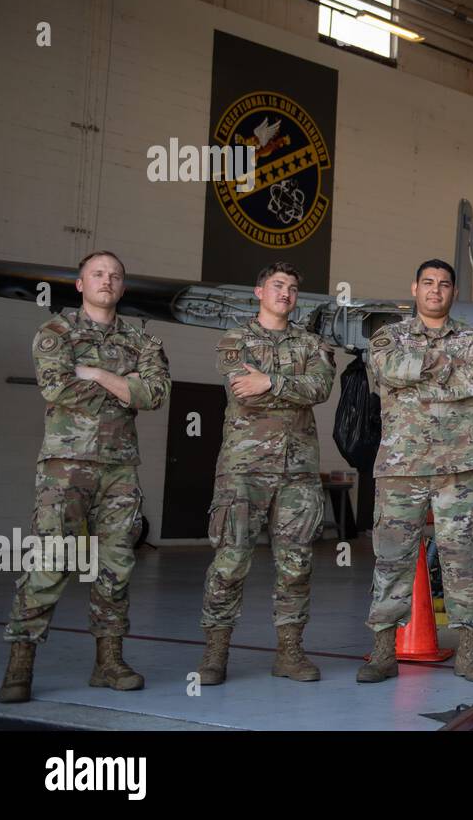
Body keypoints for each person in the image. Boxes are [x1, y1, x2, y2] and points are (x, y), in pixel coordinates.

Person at [0, 251, 170, 703]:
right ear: (79, 284)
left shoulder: (141, 341)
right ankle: (20, 666)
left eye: (114, 276)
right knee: (48, 561)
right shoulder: (57, 332)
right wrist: (122, 385)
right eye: (97, 274)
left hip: (120, 469)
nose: (106, 281)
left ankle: (109, 663)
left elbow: (154, 394)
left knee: (116, 566)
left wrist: (93, 373)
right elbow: (56, 386)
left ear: (123, 287)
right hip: (65, 466)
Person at [358, 260, 473, 683]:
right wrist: (446, 368)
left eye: (444, 284)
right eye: (428, 283)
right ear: (414, 288)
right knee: (392, 558)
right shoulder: (387, 336)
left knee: (464, 558)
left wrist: (417, 371)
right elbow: (387, 370)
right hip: (402, 466)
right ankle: (383, 650)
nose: (436, 290)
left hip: (459, 467)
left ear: (454, 292)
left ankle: (470, 651)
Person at [197, 262, 335, 685]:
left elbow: (320, 389)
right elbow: (243, 391)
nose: (286, 293)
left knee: (296, 564)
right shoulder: (235, 339)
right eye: (278, 286)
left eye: (293, 288)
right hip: (243, 470)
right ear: (259, 292)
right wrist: (284, 386)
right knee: (230, 560)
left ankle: (289, 653)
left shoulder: (313, 343)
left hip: (297, 471)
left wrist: (270, 382)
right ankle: (215, 654)